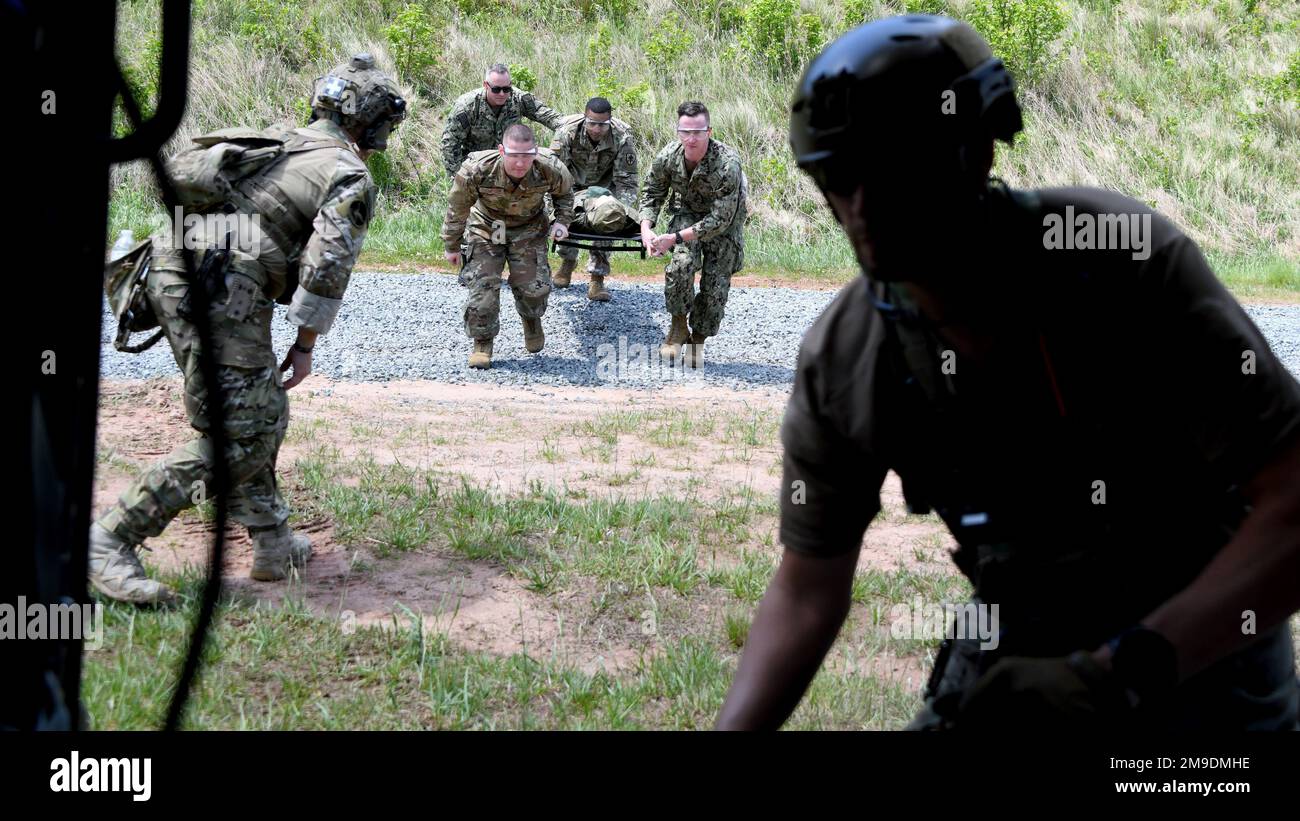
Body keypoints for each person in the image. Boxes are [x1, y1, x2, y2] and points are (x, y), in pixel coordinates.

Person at [715, 15, 1300, 730]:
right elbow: (808, 589)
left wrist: (1118, 675)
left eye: (895, 167)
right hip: (1023, 628)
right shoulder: (848, 356)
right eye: (839, 175)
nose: (862, 206)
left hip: (1204, 637)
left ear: (977, 150)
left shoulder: (1121, 265)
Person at [90, 54, 407, 604]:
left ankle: (273, 541)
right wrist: (305, 345)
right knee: (247, 431)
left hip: (169, 270)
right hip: (223, 284)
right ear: (374, 123)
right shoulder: (347, 173)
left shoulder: (279, 139)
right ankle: (112, 537)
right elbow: (328, 266)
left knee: (256, 411)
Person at [442, 124, 574, 369]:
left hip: (529, 228)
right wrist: (451, 244)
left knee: (533, 287)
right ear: (502, 150)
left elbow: (565, 195)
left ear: (535, 151)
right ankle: (483, 343)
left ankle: (531, 320)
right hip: (488, 227)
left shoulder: (549, 167)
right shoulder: (477, 169)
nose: (521, 163)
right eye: (514, 155)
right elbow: (457, 208)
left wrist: (562, 222)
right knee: (482, 287)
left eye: (527, 155)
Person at [639, 101, 747, 368]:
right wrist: (646, 228)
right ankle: (678, 327)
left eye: (697, 132)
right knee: (679, 268)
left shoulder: (727, 163)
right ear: (678, 131)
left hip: (724, 225)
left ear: (709, 131)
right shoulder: (669, 156)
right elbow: (652, 192)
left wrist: (673, 238)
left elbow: (719, 220)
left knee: (715, 287)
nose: (691, 138)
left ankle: (698, 340)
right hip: (687, 213)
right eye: (685, 132)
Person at [548, 96, 639, 300]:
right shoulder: (567, 133)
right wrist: (551, 209)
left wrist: (623, 211)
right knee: (567, 217)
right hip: (573, 187)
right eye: (592, 123)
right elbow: (554, 173)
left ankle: (597, 279)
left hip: (606, 190)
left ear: (610, 120)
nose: (597, 129)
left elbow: (627, 179)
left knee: (609, 216)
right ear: (584, 117)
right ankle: (567, 262)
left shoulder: (622, 136)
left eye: (602, 124)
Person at [441, 63, 565, 177]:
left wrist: (569, 131)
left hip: (514, 162)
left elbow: (550, 117)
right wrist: (459, 177)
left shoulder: (518, 98)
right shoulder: (467, 106)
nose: (502, 94)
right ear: (486, 85)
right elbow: (450, 143)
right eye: (496, 89)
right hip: (478, 167)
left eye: (506, 89)